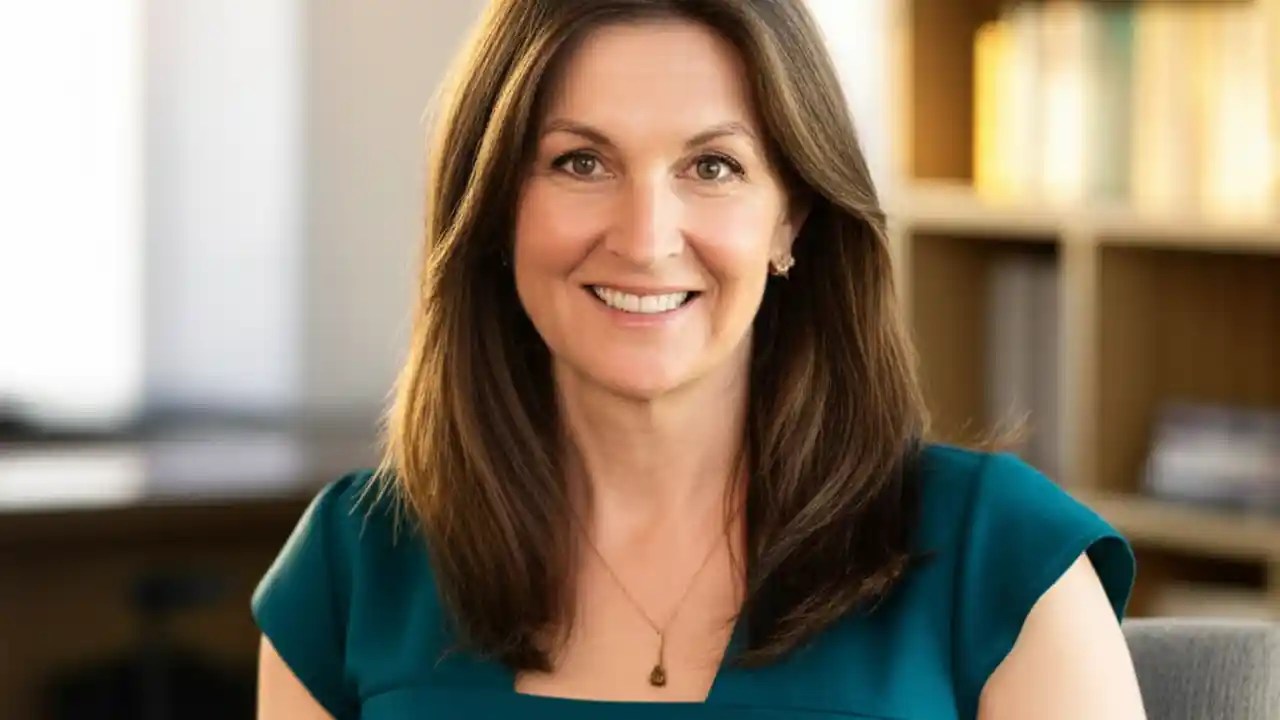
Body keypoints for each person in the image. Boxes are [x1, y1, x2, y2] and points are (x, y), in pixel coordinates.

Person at [253, 1, 1147, 718]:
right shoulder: (351, 568)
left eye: (712, 167)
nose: (645, 240)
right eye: (581, 162)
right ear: (495, 209)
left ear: (791, 217)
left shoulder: (1002, 560)